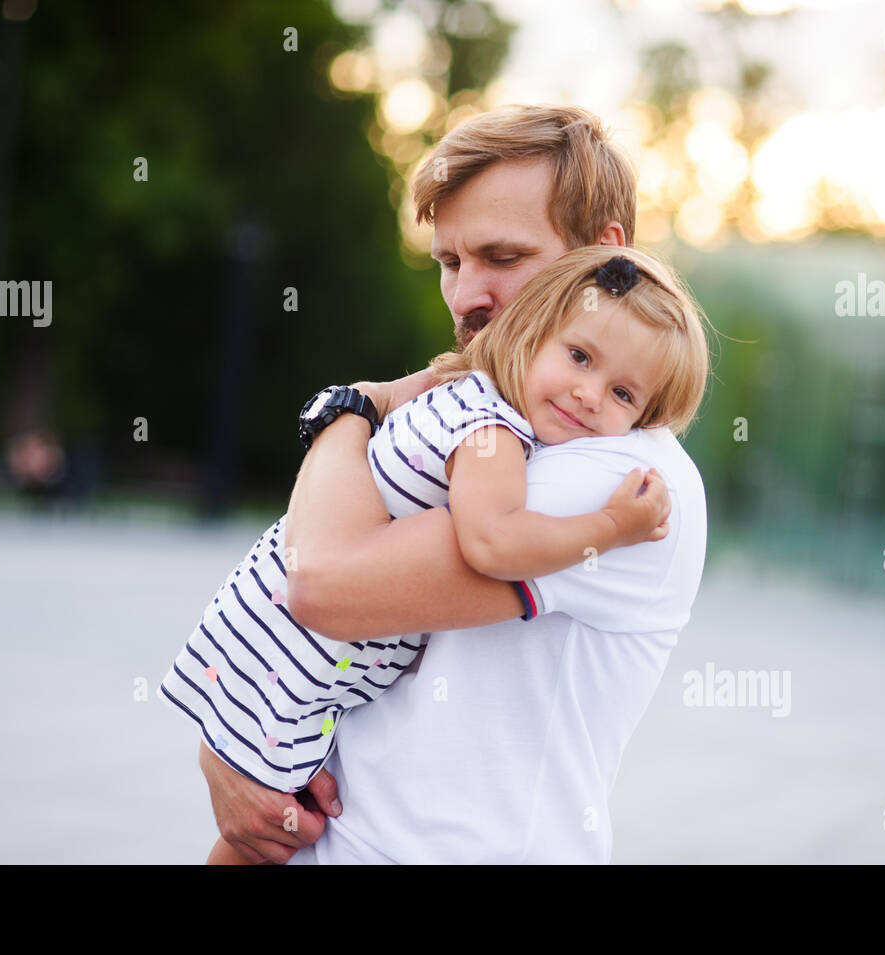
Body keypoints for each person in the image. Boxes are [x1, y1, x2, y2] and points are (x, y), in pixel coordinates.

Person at [196, 104, 710, 863]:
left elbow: (321, 584)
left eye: (502, 256)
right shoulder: (504, 419)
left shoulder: (614, 476)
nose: (466, 296)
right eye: (449, 262)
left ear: (604, 257)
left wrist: (347, 412)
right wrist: (239, 746)